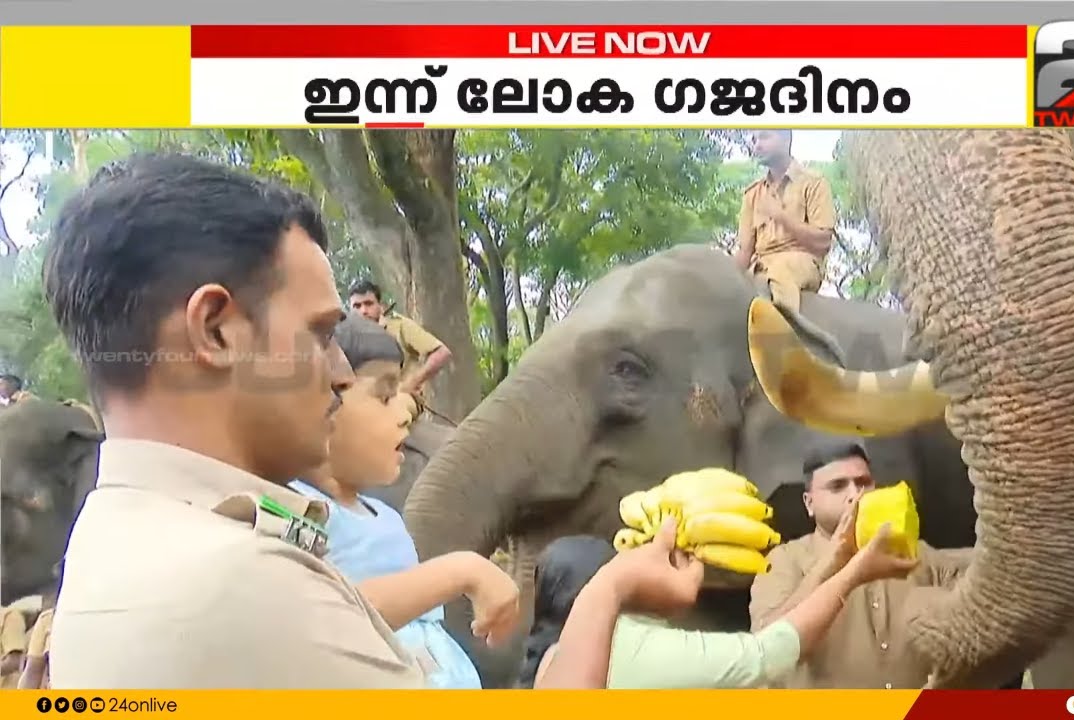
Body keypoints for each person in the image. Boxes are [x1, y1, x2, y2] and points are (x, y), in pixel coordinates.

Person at [39, 153, 702, 690]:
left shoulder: (112, 537)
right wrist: (607, 593)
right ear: (216, 330)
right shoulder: (240, 585)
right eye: (320, 333)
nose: (339, 373)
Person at [287, 314, 509, 689]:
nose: (405, 413)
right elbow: (331, 616)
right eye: (385, 396)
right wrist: (461, 571)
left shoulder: (385, 515)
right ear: (323, 401)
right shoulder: (300, 509)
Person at [516, 516, 919, 690]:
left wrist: (830, 561)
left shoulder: (556, 659)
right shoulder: (628, 646)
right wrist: (854, 574)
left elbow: (761, 641)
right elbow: (768, 653)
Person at [749, 442, 973, 689]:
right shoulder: (785, 560)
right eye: (837, 486)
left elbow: (985, 577)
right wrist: (830, 566)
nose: (855, 495)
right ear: (809, 503)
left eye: (863, 483)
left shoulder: (914, 551)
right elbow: (763, 651)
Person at [732, 129, 837, 315]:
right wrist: (727, 279)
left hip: (800, 261)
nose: (757, 145)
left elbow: (823, 242)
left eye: (764, 137)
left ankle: (781, 330)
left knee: (778, 277)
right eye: (754, 140)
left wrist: (780, 216)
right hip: (760, 266)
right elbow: (745, 251)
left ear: (786, 139)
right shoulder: (752, 194)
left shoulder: (813, 183)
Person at [348, 279, 452, 420]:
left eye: (369, 304)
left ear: (381, 306)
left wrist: (411, 383)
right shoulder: (345, 337)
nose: (363, 311)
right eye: (357, 306)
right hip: (364, 400)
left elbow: (441, 353)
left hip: (401, 397)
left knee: (388, 414)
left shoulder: (399, 325)